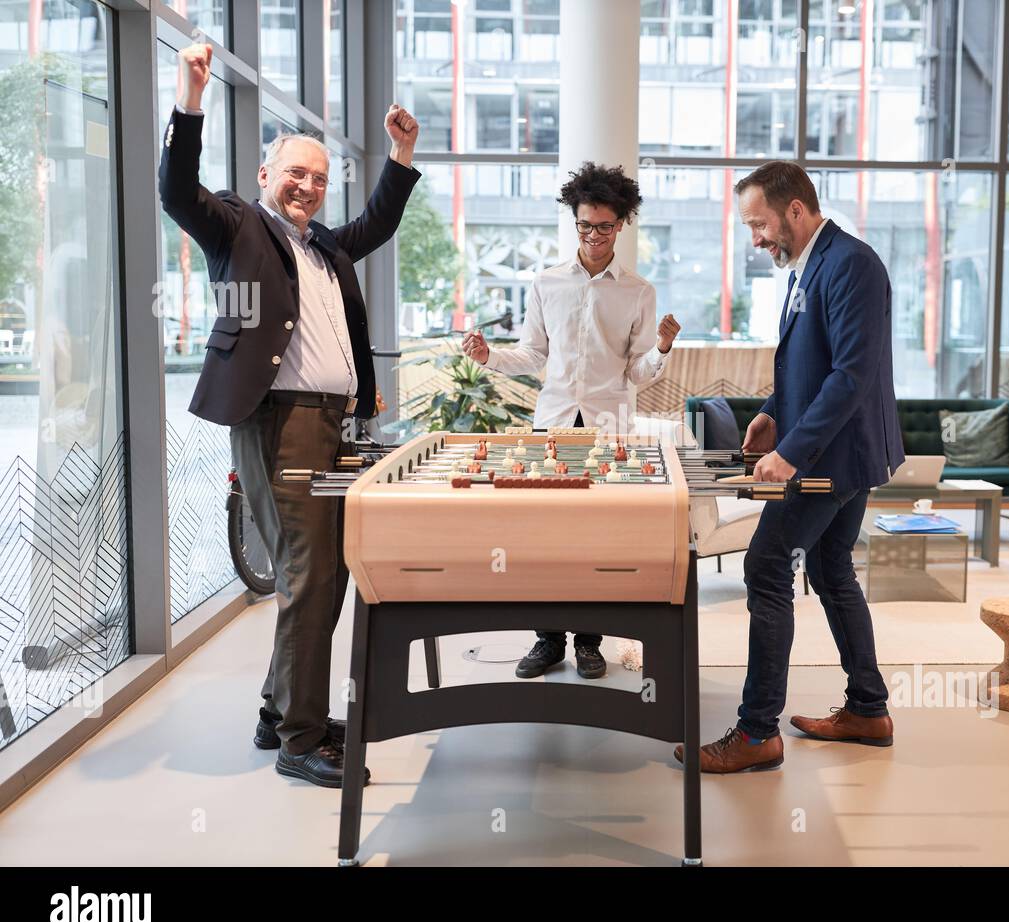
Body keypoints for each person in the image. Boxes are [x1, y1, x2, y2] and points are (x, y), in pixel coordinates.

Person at [160, 43, 421, 788]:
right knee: (310, 575)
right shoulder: (239, 228)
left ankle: (281, 710)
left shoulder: (325, 248)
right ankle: (303, 739)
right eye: (293, 174)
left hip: (334, 423)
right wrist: (190, 96)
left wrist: (401, 153)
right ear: (264, 178)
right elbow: (178, 191)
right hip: (282, 422)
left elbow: (377, 222)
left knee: (328, 571)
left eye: (317, 177)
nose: (306, 185)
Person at [674, 161, 905, 773]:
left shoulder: (852, 263)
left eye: (759, 223)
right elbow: (811, 361)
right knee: (831, 572)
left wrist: (790, 452)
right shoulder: (811, 263)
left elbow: (851, 375)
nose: (755, 238)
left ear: (795, 210)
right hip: (833, 448)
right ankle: (868, 708)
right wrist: (773, 414)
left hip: (835, 455)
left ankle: (756, 734)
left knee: (767, 564)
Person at [462, 161, 680, 680]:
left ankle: (589, 643)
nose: (595, 235)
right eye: (585, 225)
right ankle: (547, 641)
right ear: (574, 222)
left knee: (597, 541)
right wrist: (490, 356)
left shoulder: (638, 292)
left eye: (605, 226)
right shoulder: (547, 283)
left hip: (609, 428)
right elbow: (532, 354)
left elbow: (639, 371)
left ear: (621, 224)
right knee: (543, 539)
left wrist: (664, 347)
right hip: (552, 426)